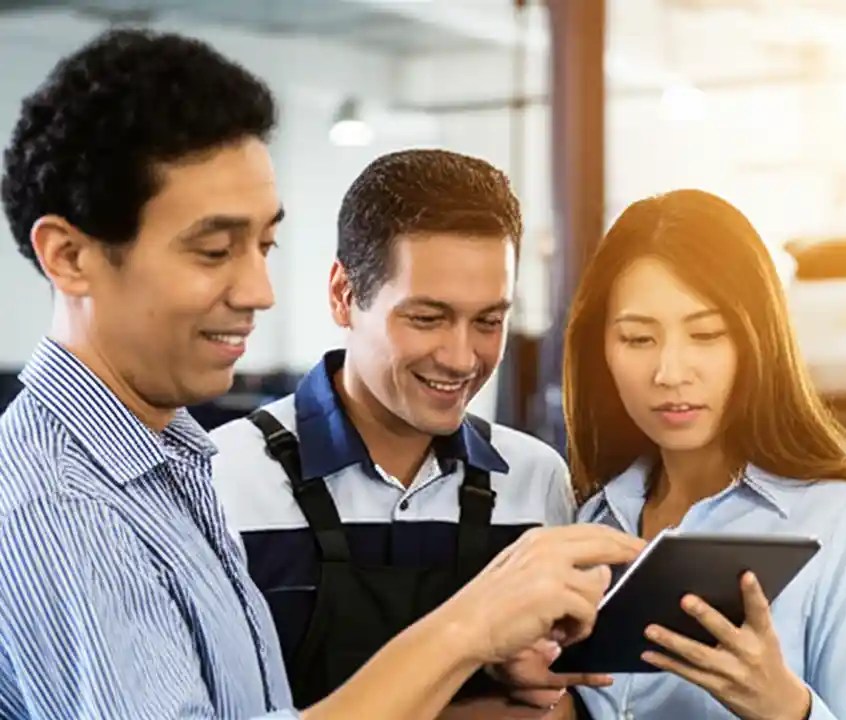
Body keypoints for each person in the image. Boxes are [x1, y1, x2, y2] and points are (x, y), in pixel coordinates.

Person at [0, 27, 641, 720]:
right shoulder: (63, 507)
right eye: (214, 251)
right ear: (69, 257)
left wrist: (487, 675)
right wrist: (467, 627)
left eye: (265, 245)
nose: (260, 291)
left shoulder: (170, 468)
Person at [210, 148, 600, 714]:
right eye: (427, 318)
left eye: (489, 321)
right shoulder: (223, 481)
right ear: (344, 296)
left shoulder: (535, 480)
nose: (462, 357)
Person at [558, 189, 846, 720]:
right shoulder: (592, 520)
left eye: (706, 334)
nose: (670, 372)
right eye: (638, 339)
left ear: (758, 341)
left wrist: (786, 709)